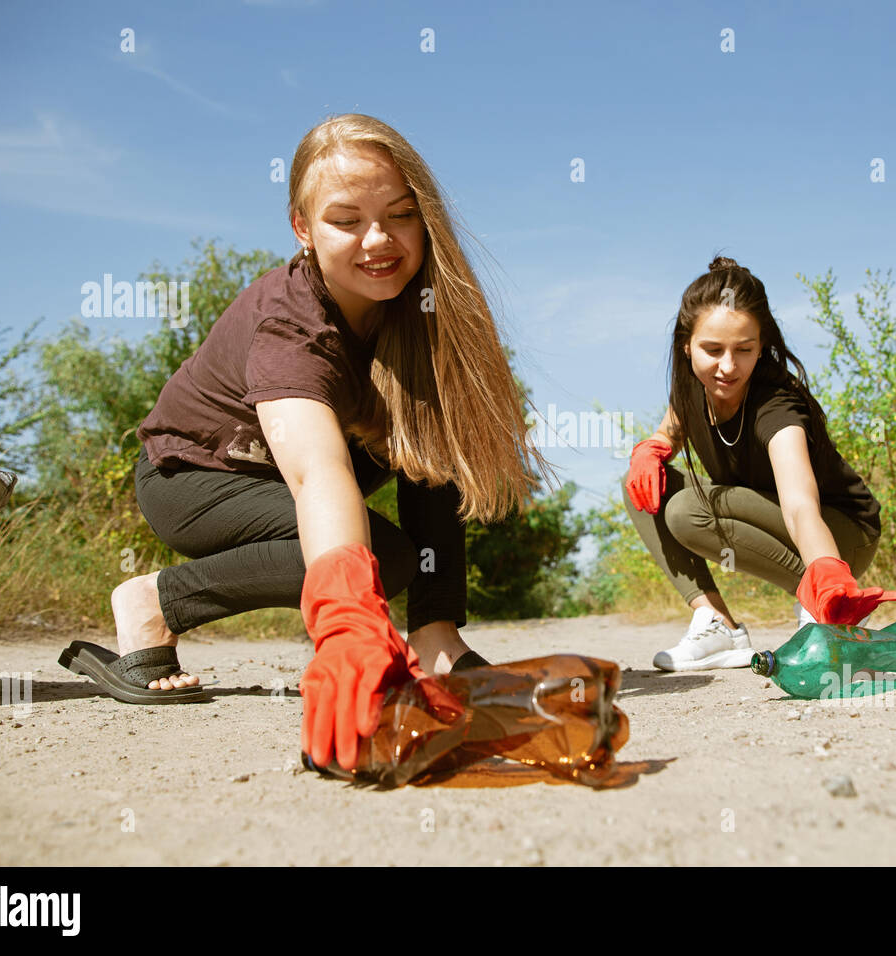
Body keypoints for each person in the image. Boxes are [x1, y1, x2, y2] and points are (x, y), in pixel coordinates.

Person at [62, 114, 547, 771]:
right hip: (192, 478)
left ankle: (435, 637)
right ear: (303, 228)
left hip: (283, 481)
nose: (378, 240)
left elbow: (422, 462)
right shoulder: (289, 322)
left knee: (434, 421)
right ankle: (153, 600)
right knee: (383, 557)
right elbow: (318, 475)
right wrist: (347, 621)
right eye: (346, 220)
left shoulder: (419, 310)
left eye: (400, 215)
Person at [623, 256, 896, 671]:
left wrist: (825, 569)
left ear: (762, 347)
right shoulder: (691, 387)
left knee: (687, 510)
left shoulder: (777, 408)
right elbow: (669, 433)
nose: (728, 367)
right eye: (712, 350)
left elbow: (799, 504)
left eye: (744, 350)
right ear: (687, 345)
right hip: (769, 518)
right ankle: (716, 624)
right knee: (640, 480)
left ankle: (826, 603)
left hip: (841, 534)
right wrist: (650, 449)